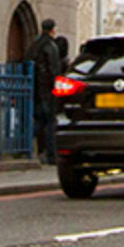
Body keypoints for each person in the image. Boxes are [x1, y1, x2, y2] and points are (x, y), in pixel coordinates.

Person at [28, 16, 72, 155]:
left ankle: (25, 143)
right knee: (49, 122)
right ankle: (51, 154)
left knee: (39, 121)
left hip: (35, 90)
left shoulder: (34, 45)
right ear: (52, 30)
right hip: (47, 91)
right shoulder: (51, 47)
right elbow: (54, 70)